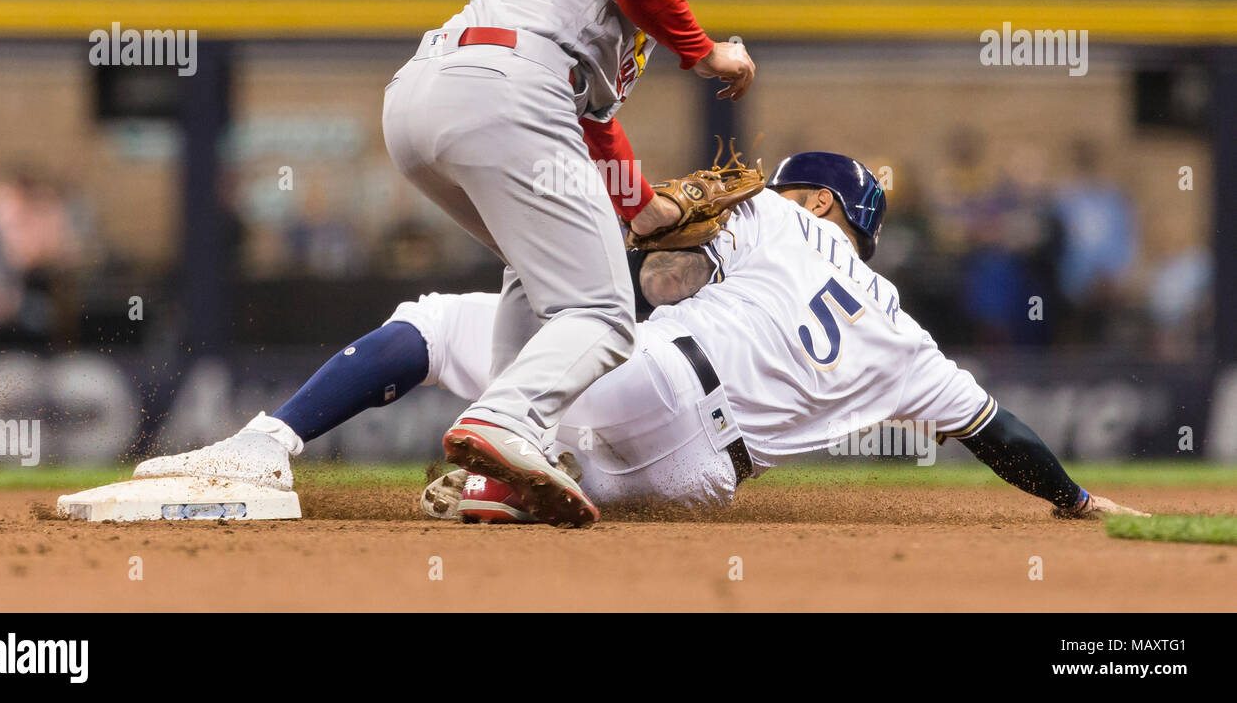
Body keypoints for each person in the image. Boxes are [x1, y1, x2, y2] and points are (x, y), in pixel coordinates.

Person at [135, 152, 1144, 524]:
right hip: (700, 478)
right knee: (567, 440)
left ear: (815, 197)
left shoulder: (773, 213)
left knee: (432, 325)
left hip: (651, 380)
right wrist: (1073, 495)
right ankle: (510, 488)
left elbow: (652, 231)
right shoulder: (903, 333)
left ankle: (262, 447)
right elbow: (997, 430)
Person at [377, 0, 755, 525]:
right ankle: (506, 421)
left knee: (538, 272)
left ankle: (501, 475)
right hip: (506, 91)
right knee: (603, 313)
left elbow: (591, 122)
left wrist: (642, 210)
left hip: (420, 102)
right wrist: (708, 52)